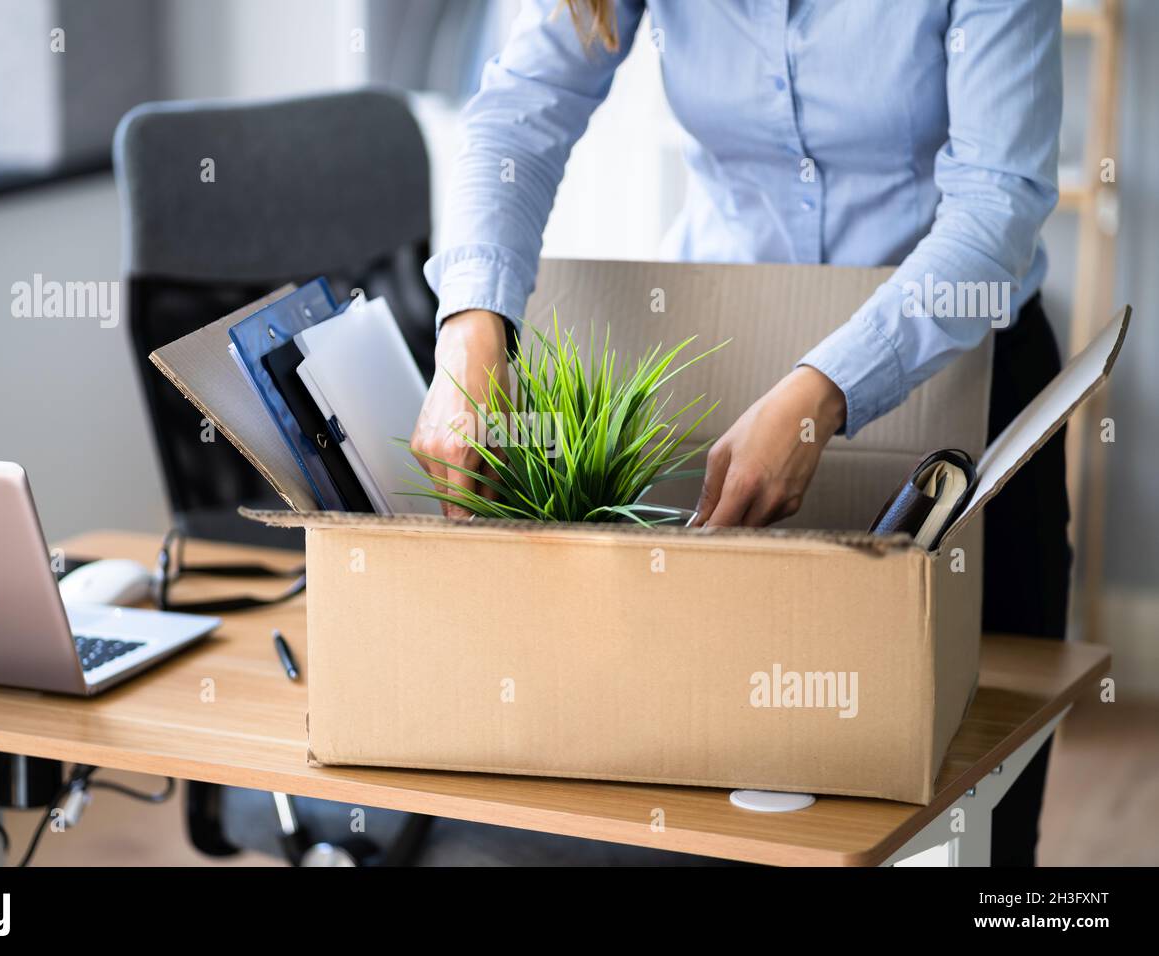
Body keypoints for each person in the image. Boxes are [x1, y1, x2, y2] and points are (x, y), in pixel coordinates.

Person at [410, 0, 1067, 866]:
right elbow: (516, 117)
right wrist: (469, 324)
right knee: (730, 808)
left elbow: (997, 207)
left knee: (971, 819)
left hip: (961, 381)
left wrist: (827, 387)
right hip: (735, 369)